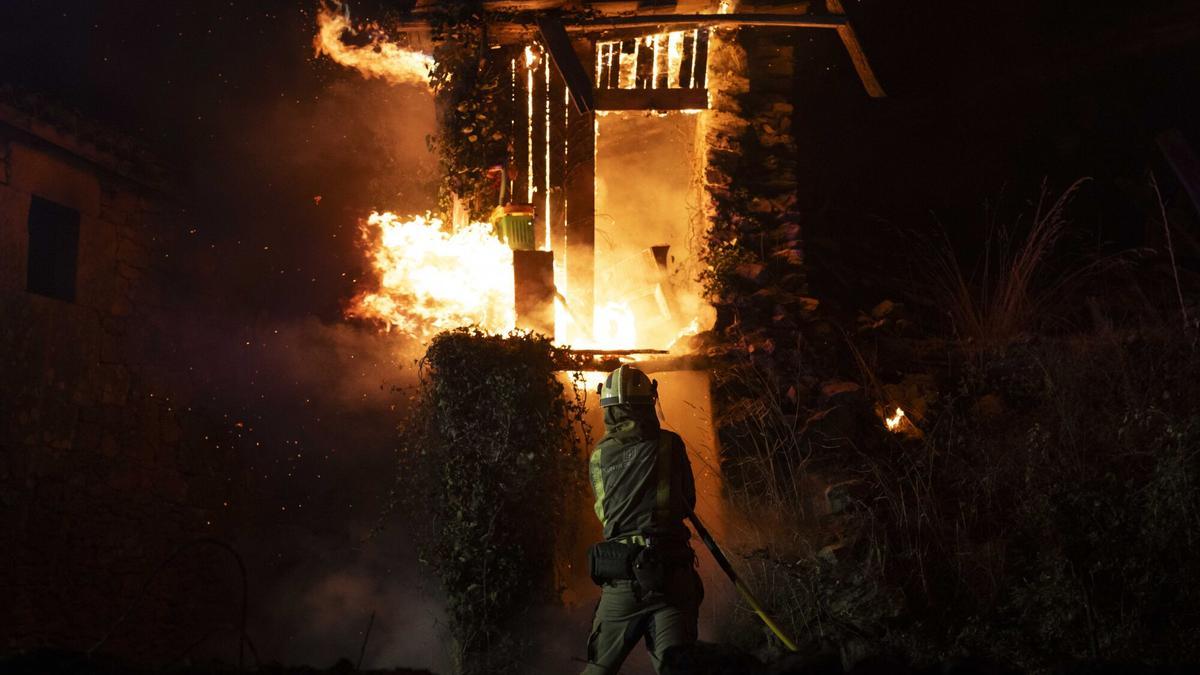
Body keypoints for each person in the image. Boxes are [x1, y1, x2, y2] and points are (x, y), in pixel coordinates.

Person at [581, 365, 703, 675]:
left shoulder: (599, 455)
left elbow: (606, 513)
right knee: (678, 669)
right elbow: (687, 500)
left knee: (598, 669)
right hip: (672, 577)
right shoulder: (670, 444)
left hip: (623, 579)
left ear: (607, 409)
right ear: (650, 402)